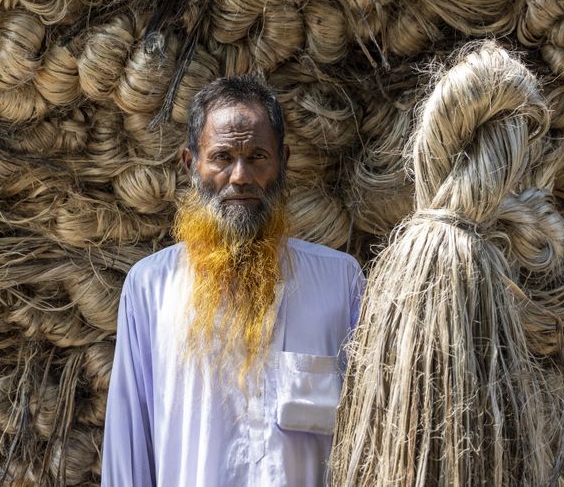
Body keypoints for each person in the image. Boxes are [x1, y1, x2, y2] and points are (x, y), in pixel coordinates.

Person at [101, 75, 366, 486]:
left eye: (257, 156)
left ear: (283, 162)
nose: (240, 176)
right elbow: (129, 444)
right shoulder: (150, 289)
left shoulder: (339, 282)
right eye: (222, 156)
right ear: (192, 165)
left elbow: (369, 437)